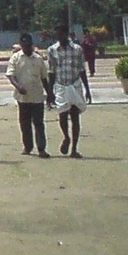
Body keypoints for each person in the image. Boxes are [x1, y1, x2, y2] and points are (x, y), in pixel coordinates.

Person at [49, 25, 92, 158]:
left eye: (62, 34)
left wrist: (87, 90)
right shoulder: (52, 50)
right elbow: (51, 71)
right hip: (61, 85)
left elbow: (82, 70)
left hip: (75, 85)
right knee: (62, 115)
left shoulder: (77, 49)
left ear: (67, 34)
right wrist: (50, 93)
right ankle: (66, 137)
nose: (60, 37)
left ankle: (74, 148)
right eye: (58, 35)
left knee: (75, 116)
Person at [6, 32, 52, 157]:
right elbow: (10, 75)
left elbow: (44, 78)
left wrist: (49, 95)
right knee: (24, 123)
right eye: (24, 45)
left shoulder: (38, 59)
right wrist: (18, 86)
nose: (27, 48)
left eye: (29, 45)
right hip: (22, 98)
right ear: (21, 45)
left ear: (32, 45)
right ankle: (27, 147)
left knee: (39, 123)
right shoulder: (16, 58)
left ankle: (41, 148)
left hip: (37, 96)